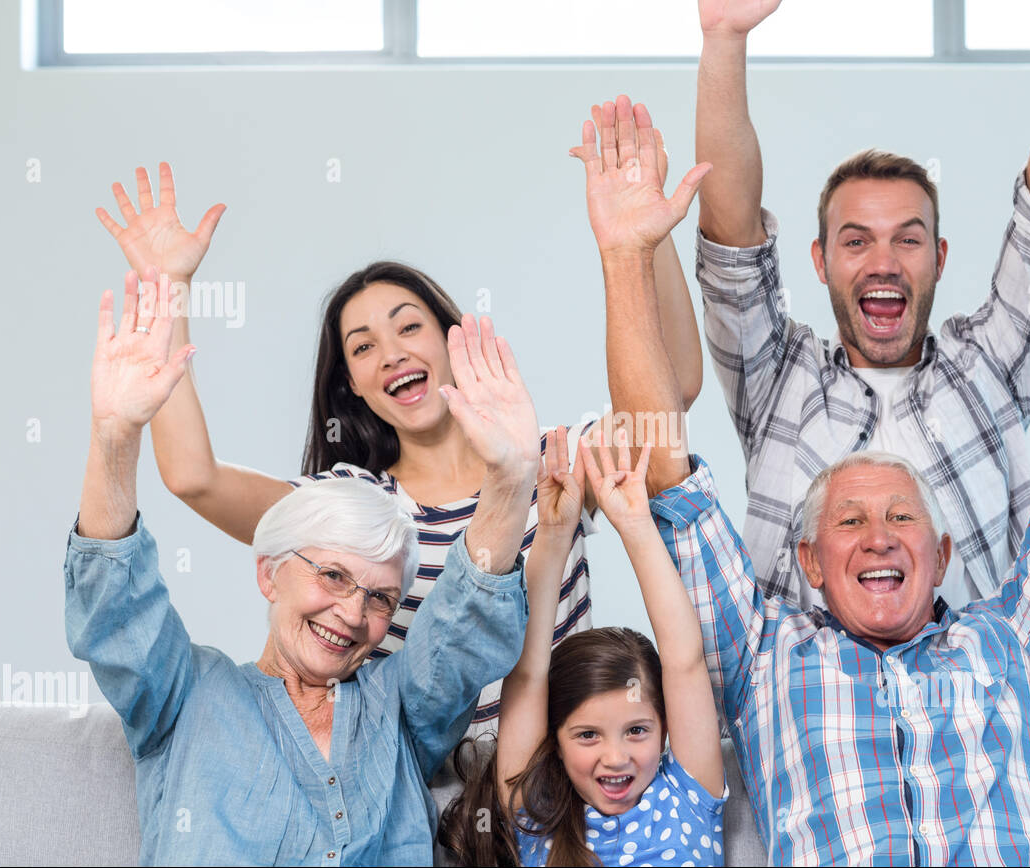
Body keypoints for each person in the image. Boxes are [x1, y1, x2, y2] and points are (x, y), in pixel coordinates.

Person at [641, 80, 1030, 864]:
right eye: (850, 521)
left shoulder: (1009, 644)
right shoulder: (769, 658)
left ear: (946, 556)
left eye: (902, 518)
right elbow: (666, 463)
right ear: (809, 562)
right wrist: (629, 255)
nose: (879, 540)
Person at [92, 157, 702, 735]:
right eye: (362, 347)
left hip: (552, 789)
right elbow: (193, 476)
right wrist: (169, 286)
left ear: (450, 336)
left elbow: (669, 402)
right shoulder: (351, 505)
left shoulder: (548, 465)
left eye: (409, 326)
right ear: (353, 387)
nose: (391, 353)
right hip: (415, 790)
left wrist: (641, 244)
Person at [690, 0, 1030, 721]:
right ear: (820, 260)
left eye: (907, 240)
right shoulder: (778, 380)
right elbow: (730, 246)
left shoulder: (987, 365)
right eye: (856, 240)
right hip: (815, 738)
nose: (883, 262)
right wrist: (723, 40)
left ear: (938, 259)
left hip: (1000, 733)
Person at [65, 271, 541, 865]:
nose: (352, 612)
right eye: (334, 576)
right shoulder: (188, 694)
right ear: (270, 573)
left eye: (380, 599)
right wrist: (114, 435)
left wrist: (512, 476)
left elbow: (464, 627)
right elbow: (115, 608)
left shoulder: (398, 707)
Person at [439, 428, 726, 866]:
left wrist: (635, 525)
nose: (616, 758)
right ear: (552, 740)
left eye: (637, 730)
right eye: (588, 735)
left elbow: (685, 661)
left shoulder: (687, 794)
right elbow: (529, 673)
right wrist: (554, 533)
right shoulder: (536, 812)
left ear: (666, 729)